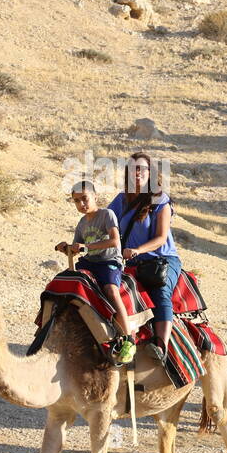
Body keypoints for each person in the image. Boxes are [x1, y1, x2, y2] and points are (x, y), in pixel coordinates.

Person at [109, 152, 180, 360]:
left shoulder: (160, 200)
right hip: (131, 262)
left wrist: (138, 250)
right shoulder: (122, 199)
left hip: (161, 260)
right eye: (132, 168)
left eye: (141, 168)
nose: (137, 172)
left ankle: (161, 346)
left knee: (160, 292)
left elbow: (160, 238)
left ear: (151, 173)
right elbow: (106, 222)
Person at [57, 180, 136, 365]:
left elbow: (115, 241)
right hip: (89, 262)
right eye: (76, 201)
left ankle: (128, 338)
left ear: (95, 197)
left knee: (111, 290)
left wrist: (86, 246)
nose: (81, 204)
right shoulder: (82, 223)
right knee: (69, 288)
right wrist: (66, 248)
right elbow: (78, 248)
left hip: (109, 261)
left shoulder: (106, 214)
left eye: (84, 198)